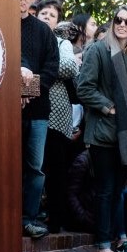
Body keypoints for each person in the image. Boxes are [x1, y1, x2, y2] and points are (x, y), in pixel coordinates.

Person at [77, 4, 127, 252]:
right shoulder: (98, 50)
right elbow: (83, 88)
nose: (121, 25)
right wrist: (108, 107)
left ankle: (112, 247)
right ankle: (102, 247)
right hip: (104, 134)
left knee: (118, 191)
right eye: (118, 20)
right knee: (106, 191)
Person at [1, 0, 58, 239]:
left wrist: (28, 92)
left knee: (35, 166)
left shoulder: (44, 31)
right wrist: (15, 91)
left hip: (37, 111)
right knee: (4, 164)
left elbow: (51, 69)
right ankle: (4, 217)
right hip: (2, 109)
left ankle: (29, 218)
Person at [42, 19, 79, 233]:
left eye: (51, 14)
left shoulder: (61, 42)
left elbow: (68, 67)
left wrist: (39, 65)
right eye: (43, 12)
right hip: (30, 110)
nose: (46, 17)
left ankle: (56, 220)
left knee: (56, 169)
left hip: (57, 115)